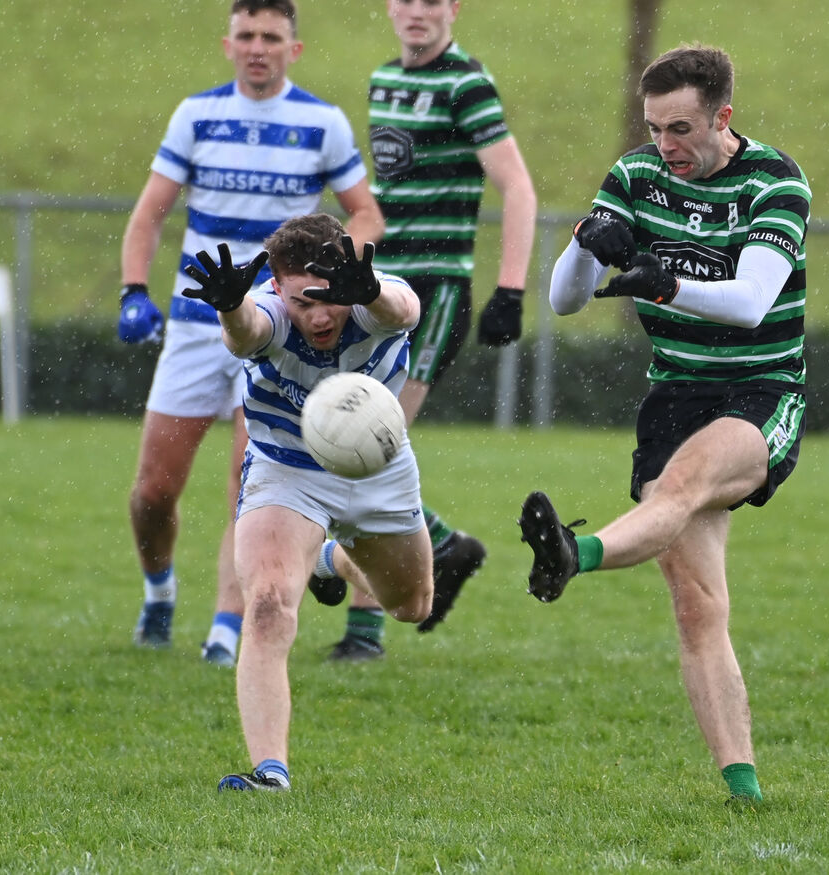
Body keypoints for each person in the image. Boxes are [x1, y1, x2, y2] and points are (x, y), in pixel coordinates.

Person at [518, 44, 810, 805]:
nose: (664, 145)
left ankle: (575, 553)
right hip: (675, 394)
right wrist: (586, 244)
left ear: (723, 117)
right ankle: (743, 790)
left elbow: (750, 304)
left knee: (682, 484)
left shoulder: (774, 182)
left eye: (680, 129)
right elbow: (564, 302)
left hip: (760, 390)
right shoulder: (637, 175)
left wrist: (667, 283)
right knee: (696, 607)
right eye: (653, 128)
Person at [116, 0, 384, 667]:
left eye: (271, 36)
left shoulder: (321, 122)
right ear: (228, 44)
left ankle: (225, 628)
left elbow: (365, 213)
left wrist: (340, 273)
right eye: (247, 35)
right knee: (153, 492)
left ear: (294, 49)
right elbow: (150, 214)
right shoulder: (196, 115)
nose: (258, 47)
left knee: (249, 482)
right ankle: (158, 590)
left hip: (277, 330)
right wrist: (132, 289)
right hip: (196, 325)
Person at [314, 0, 538, 661]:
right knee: (354, 448)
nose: (417, 11)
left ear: (453, 9)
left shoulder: (466, 83)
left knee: (369, 447)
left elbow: (517, 187)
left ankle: (365, 626)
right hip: (376, 289)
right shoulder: (385, 79)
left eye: (431, 0)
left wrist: (510, 289)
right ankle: (441, 544)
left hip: (435, 293)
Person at [179, 213, 431, 792]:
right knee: (267, 605)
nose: (318, 316)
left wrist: (368, 292)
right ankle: (271, 773)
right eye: (301, 301)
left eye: (327, 299)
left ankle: (327, 560)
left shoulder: (369, 296)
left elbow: (403, 310)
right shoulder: (269, 313)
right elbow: (247, 333)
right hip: (285, 469)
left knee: (412, 605)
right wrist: (230, 307)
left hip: (377, 465)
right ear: (277, 287)